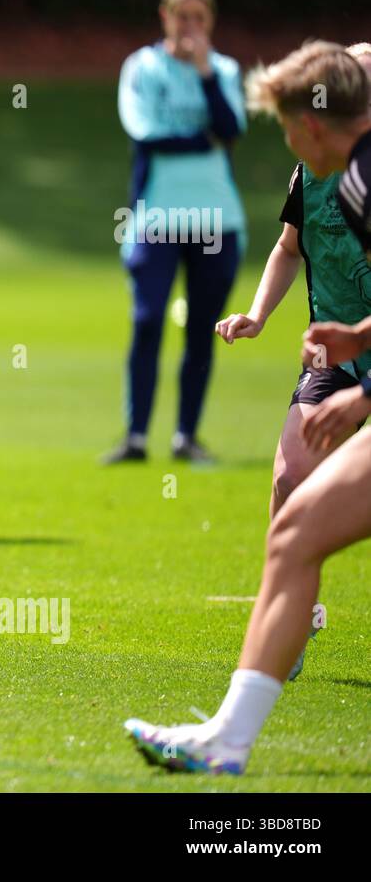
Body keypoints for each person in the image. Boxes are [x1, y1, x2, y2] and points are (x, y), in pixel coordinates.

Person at [126, 41, 371, 774]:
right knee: (293, 528)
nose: (287, 142)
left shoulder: (363, 180)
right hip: (346, 368)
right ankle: (228, 739)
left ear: (316, 126)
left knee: (296, 532)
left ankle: (227, 739)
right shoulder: (343, 176)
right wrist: (356, 340)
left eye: (289, 126)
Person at [214, 42, 371, 680]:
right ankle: (293, 616)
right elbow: (288, 249)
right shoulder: (314, 169)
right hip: (337, 349)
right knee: (289, 478)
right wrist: (258, 314)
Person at [105, 0, 247, 465]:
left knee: (202, 328)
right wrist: (200, 138)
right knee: (147, 322)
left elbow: (231, 130)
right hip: (158, 216)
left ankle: (186, 435)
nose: (189, 27)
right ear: (164, 16)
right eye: (181, 16)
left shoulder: (223, 70)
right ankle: (136, 436)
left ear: (210, 24)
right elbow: (145, 133)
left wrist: (206, 75)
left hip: (216, 218)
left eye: (199, 18)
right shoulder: (142, 67)